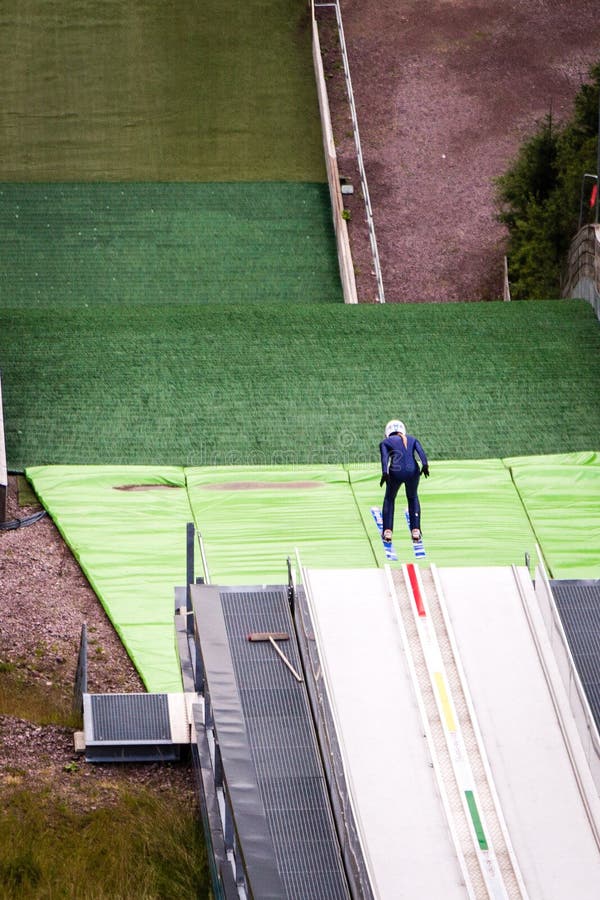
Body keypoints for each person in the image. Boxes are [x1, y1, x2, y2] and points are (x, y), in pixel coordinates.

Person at [379, 419, 429, 542]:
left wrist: (385, 473)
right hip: (413, 471)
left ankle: (387, 531)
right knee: (412, 498)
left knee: (389, 498)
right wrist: (425, 465)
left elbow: (385, 458)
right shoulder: (412, 439)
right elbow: (421, 453)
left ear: (387, 432)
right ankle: (416, 530)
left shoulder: (385, 442)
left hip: (396, 472)